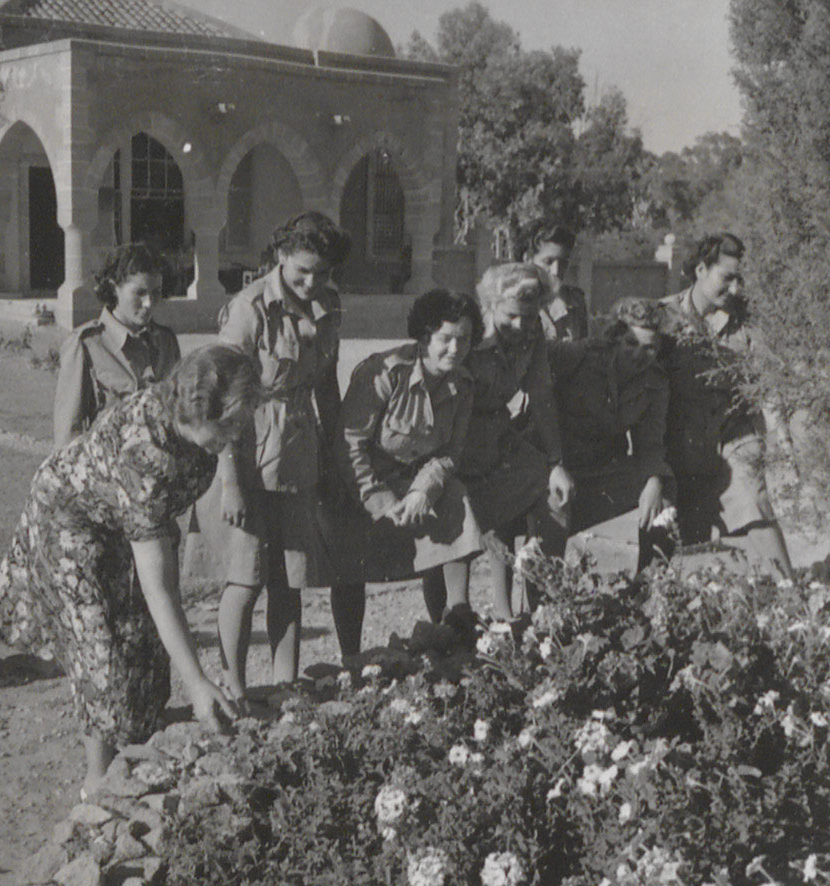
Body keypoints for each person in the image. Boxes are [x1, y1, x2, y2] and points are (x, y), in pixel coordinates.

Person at [0, 344, 261, 797]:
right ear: (194, 411)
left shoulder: (200, 426)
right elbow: (162, 591)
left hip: (124, 521)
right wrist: (197, 681)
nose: (235, 435)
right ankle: (98, 787)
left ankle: (133, 773)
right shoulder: (146, 452)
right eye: (226, 427)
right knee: (104, 656)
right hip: (70, 526)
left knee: (145, 653)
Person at [185, 211, 352, 701]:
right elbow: (221, 399)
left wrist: (335, 459)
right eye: (302, 269)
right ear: (281, 256)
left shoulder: (329, 305)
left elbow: (327, 387)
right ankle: (235, 690)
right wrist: (230, 479)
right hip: (247, 451)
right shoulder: (249, 307)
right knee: (246, 578)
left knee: (290, 579)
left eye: (322, 273)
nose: (311, 281)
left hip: (299, 456)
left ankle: (284, 684)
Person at [327, 289, 485, 658]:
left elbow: (450, 454)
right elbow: (350, 444)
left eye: (464, 339)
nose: (454, 349)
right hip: (359, 482)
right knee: (351, 562)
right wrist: (378, 499)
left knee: (454, 496)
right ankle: (351, 657)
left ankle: (455, 625)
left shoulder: (462, 384)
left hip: (413, 483)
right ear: (425, 336)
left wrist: (423, 491)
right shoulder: (384, 373)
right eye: (445, 339)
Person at [426, 263, 574, 625]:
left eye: (529, 315)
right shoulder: (468, 335)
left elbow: (540, 395)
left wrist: (555, 462)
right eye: (511, 316)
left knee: (555, 494)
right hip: (452, 435)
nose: (521, 326)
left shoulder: (532, 331)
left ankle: (542, 608)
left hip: (497, 433)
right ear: (491, 305)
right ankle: (452, 618)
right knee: (455, 507)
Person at [657, 232, 793, 578]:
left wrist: (784, 443)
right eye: (726, 277)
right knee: (673, 536)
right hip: (680, 443)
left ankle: (791, 591)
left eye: (739, 279)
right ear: (701, 269)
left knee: (754, 500)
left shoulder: (744, 320)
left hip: (734, 434)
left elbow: (766, 385)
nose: (735, 289)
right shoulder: (665, 317)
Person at [542, 297, 676, 571]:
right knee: (554, 504)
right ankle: (544, 600)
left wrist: (652, 480)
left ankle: (650, 589)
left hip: (601, 471)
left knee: (664, 490)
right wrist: (552, 463)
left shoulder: (655, 383)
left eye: (649, 348)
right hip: (555, 466)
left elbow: (649, 444)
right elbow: (534, 365)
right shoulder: (580, 357)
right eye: (631, 343)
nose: (639, 355)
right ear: (615, 338)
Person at [53, 242, 181, 447]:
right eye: (139, 293)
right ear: (114, 288)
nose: (149, 303)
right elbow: (67, 436)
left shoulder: (166, 342)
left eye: (156, 292)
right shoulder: (86, 345)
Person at [517, 219, 588, 341]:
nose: (556, 271)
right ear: (528, 260)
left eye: (563, 263)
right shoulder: (512, 303)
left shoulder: (575, 303)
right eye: (548, 262)